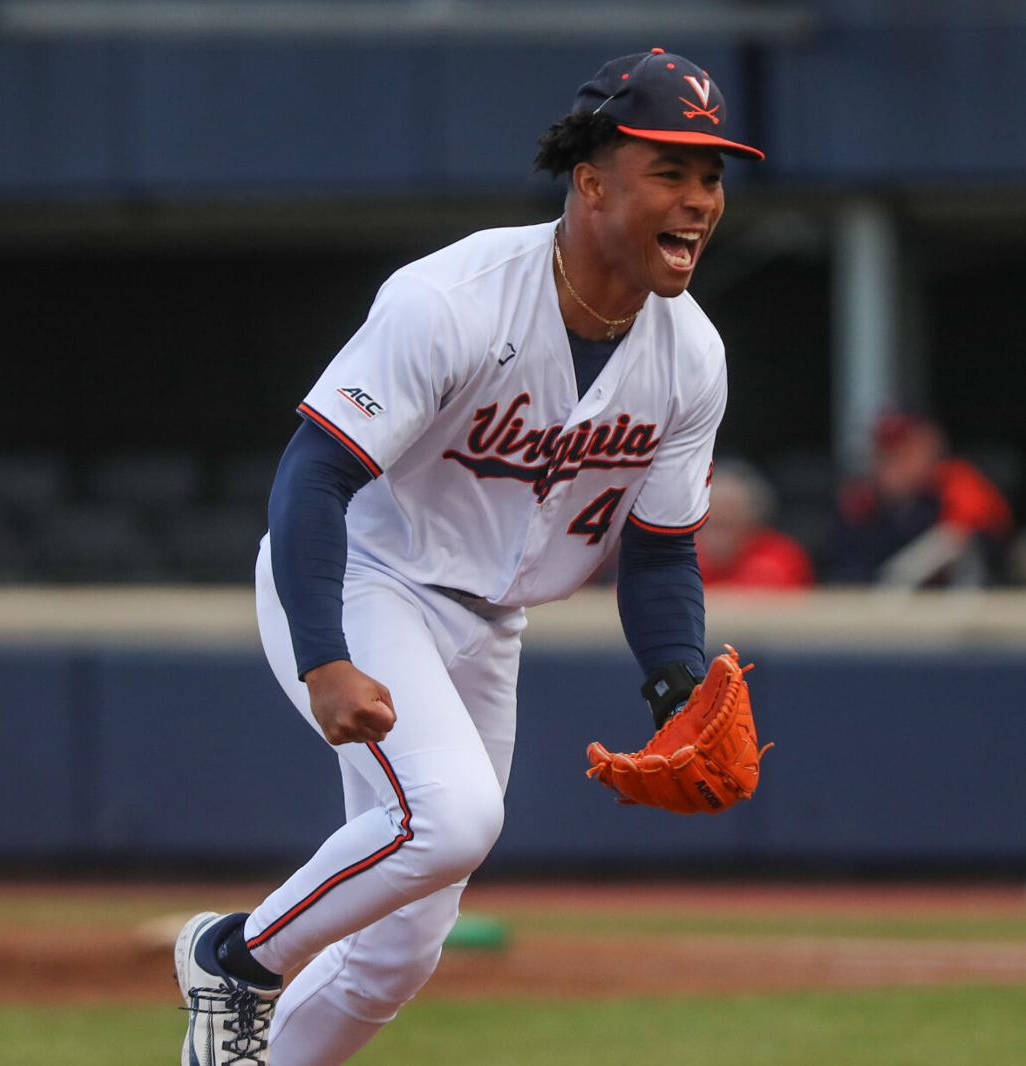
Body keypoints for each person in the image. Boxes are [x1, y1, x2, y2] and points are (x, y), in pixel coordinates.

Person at [174, 48, 763, 1065]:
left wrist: (677, 683)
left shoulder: (690, 354)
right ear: (591, 182)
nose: (699, 199)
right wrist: (325, 653)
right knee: (451, 818)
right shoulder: (454, 297)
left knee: (400, 953)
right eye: (669, 169)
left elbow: (661, 550)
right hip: (367, 577)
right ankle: (236, 955)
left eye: (711, 175)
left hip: (493, 618)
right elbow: (315, 472)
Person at [825, 412, 1013, 587]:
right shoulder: (862, 503)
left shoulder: (957, 484)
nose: (896, 466)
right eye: (887, 457)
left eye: (907, 453)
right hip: (875, 611)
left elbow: (961, 540)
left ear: (931, 446)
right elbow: (845, 571)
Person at [697, 459, 814, 588]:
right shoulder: (679, 556)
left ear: (753, 520)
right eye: (713, 526)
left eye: (728, 525)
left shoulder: (783, 558)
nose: (719, 539)